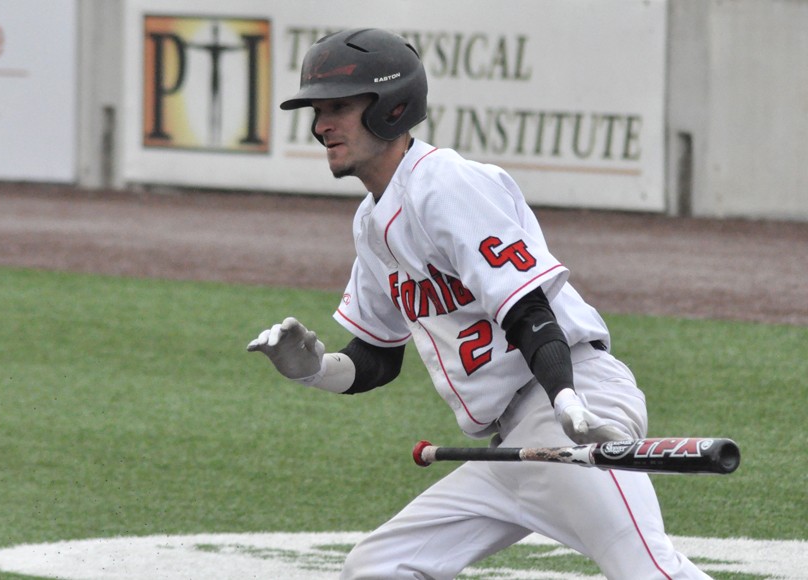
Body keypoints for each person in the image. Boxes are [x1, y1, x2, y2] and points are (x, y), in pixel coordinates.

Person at [248, 27, 712, 579]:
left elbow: (528, 311)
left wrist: (565, 398)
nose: (321, 125)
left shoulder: (444, 185)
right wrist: (313, 370)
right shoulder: (373, 221)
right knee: (379, 567)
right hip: (516, 439)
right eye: (318, 110)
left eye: (339, 107)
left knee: (648, 572)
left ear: (391, 109)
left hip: (570, 403)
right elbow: (377, 355)